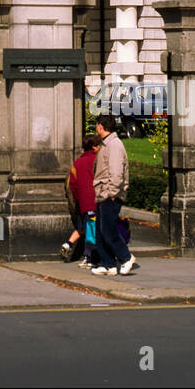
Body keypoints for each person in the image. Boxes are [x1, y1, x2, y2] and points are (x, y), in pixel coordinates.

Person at [91, 114, 135, 276]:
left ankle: (126, 257)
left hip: (109, 193)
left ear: (101, 127)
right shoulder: (107, 144)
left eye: (97, 126)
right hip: (103, 192)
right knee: (101, 230)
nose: (96, 129)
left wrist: (111, 192)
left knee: (108, 230)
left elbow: (116, 172)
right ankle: (107, 263)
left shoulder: (114, 145)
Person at [62, 134, 102, 267]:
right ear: (94, 147)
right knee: (92, 231)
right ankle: (90, 257)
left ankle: (68, 244)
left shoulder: (77, 163)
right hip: (94, 201)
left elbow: (72, 184)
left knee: (82, 227)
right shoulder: (97, 161)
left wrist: (78, 198)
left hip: (82, 203)